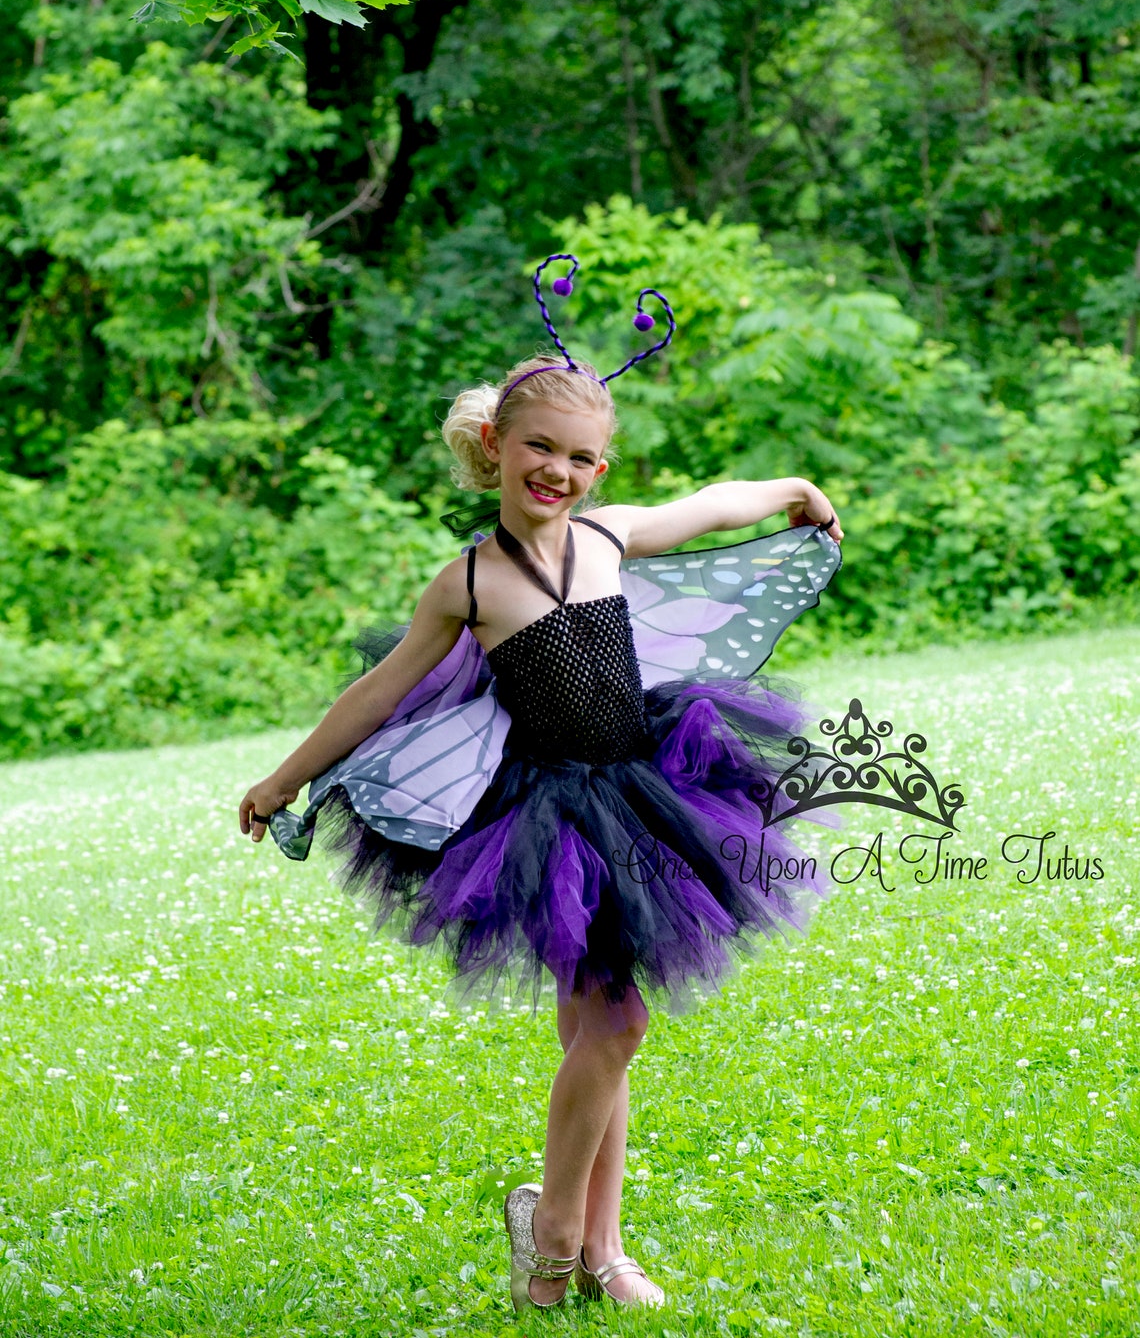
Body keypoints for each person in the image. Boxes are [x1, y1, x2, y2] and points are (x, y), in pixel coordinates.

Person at [239, 254, 843, 1312]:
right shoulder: (468, 582)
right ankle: (557, 1239)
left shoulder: (609, 536)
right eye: (540, 449)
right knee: (612, 1029)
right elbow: (375, 695)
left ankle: (595, 1249)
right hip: (550, 811)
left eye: (582, 456)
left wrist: (791, 490)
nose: (559, 471)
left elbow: (707, 506)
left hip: (648, 783)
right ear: (495, 448)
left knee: (601, 1033)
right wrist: (283, 777)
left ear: (601, 469)